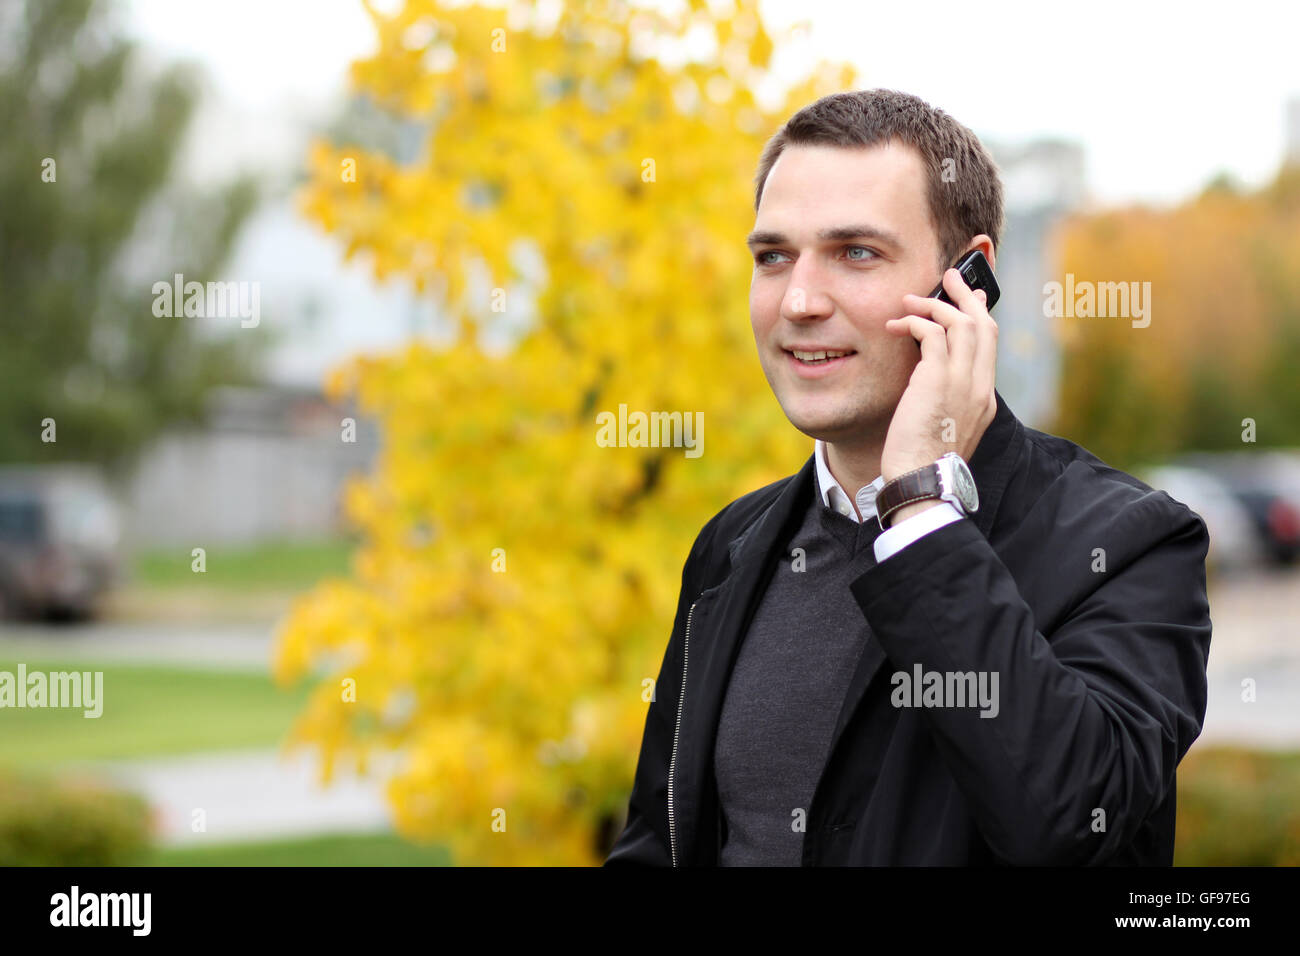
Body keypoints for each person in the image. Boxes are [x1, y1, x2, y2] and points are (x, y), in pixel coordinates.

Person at [603, 88, 1212, 866]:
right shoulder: (731, 546)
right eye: (772, 256)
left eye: (856, 252)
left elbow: (1069, 822)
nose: (798, 300)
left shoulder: (1129, 543)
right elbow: (660, 843)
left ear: (970, 283)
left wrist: (921, 508)